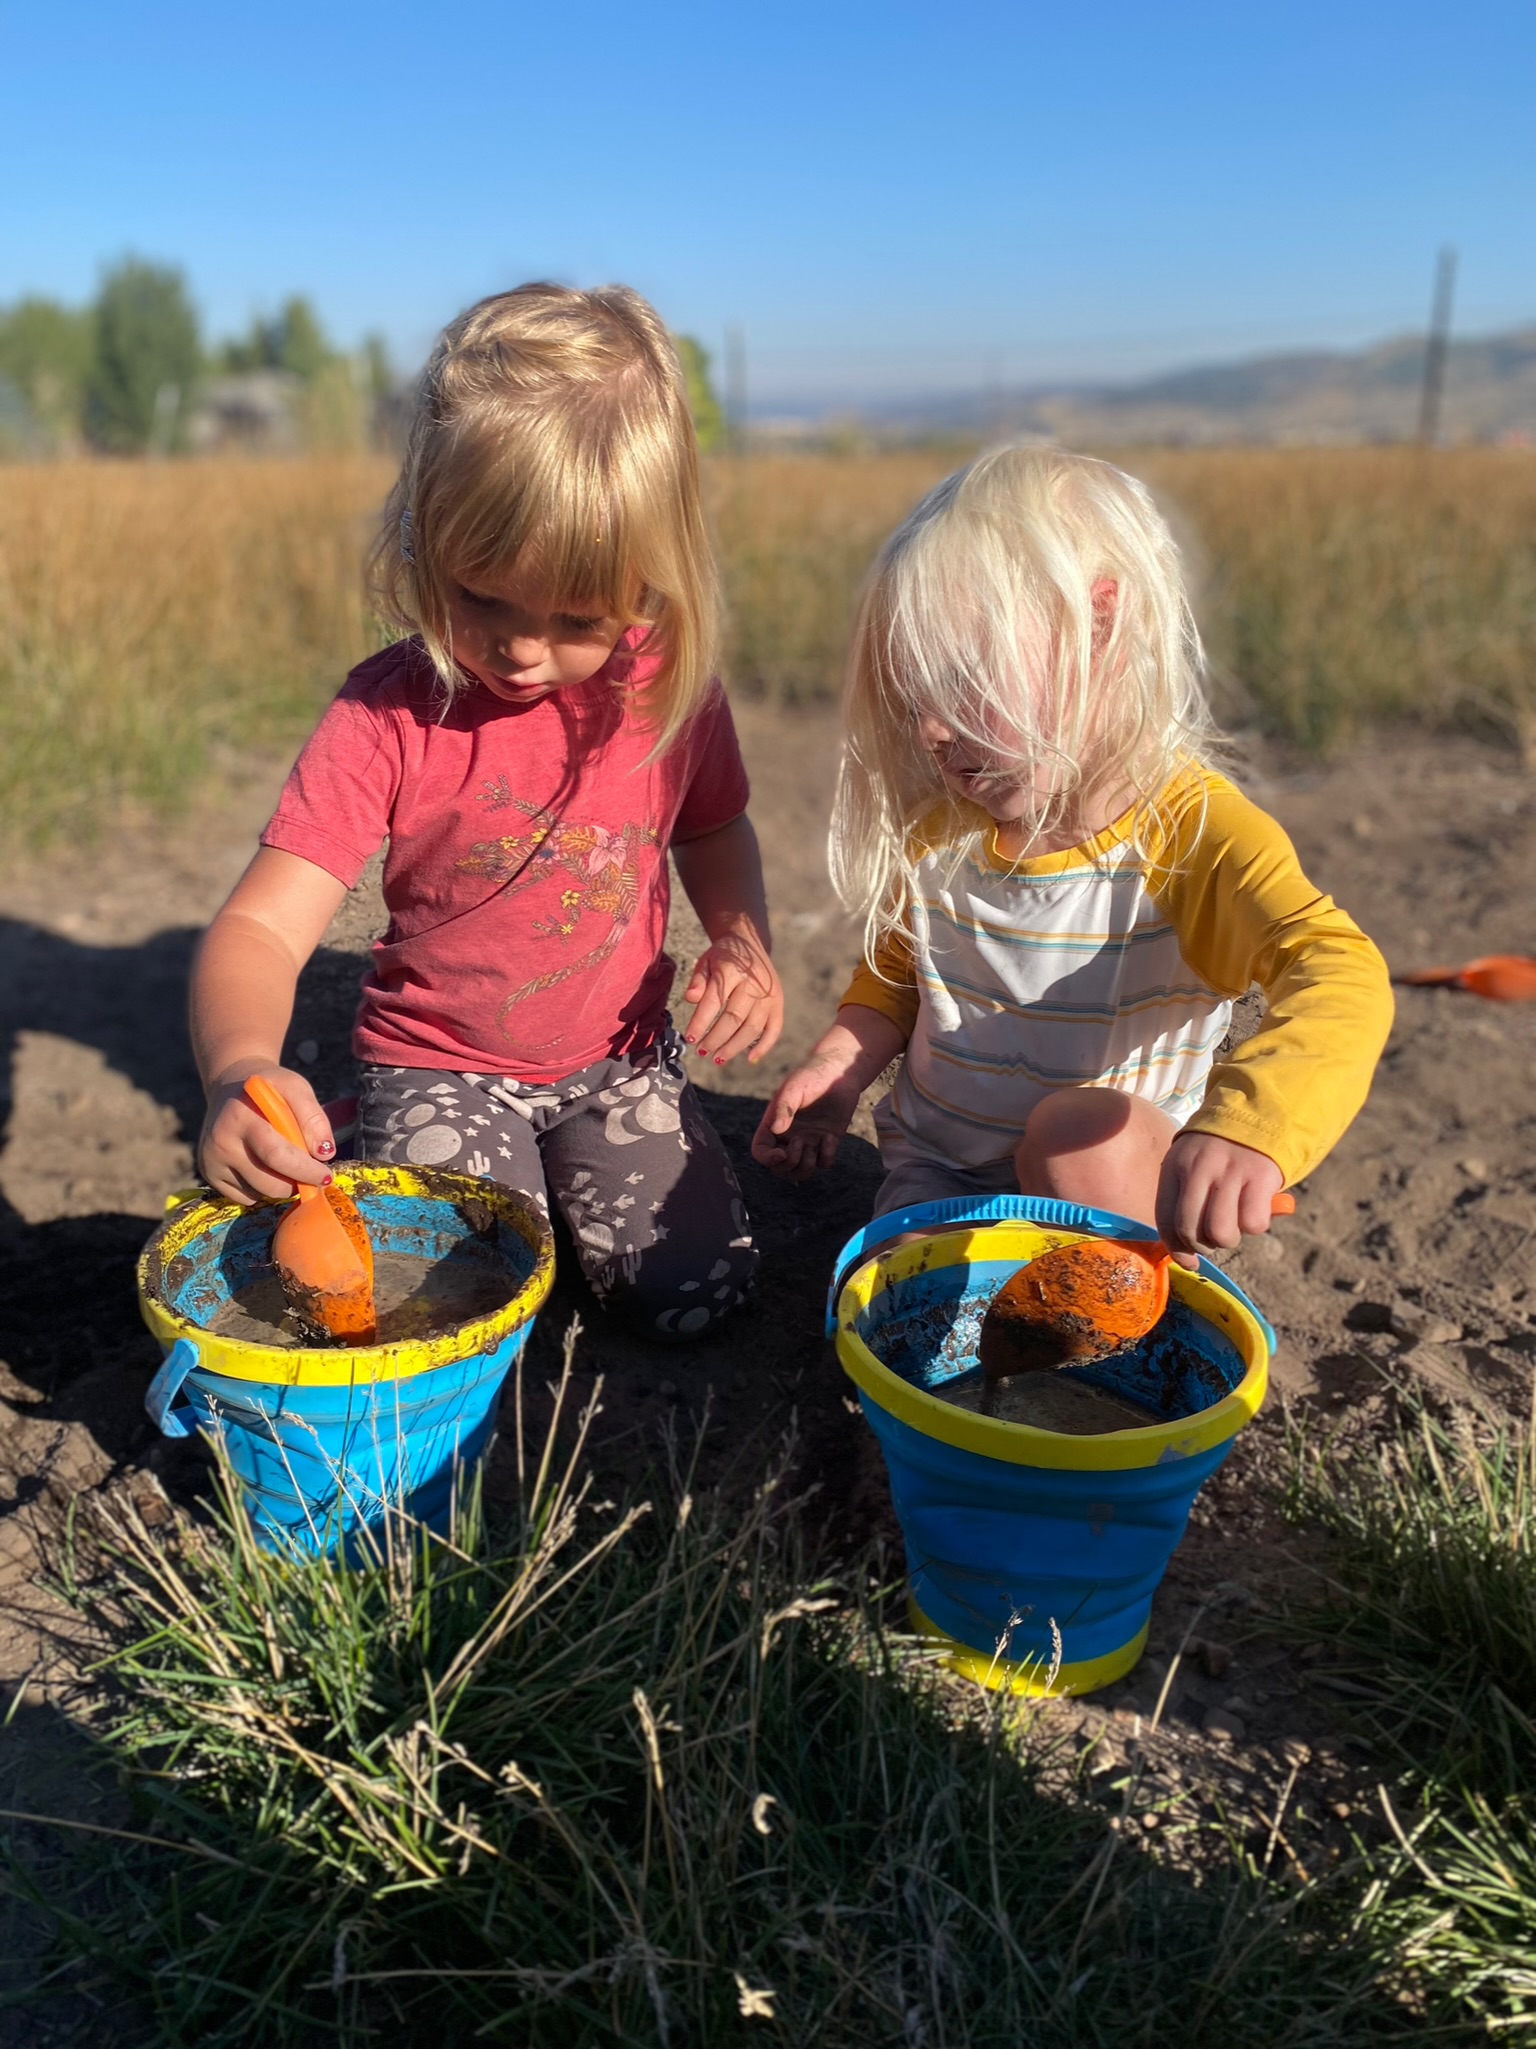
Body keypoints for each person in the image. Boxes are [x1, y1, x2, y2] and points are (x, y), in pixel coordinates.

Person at [193, 282, 779, 1338]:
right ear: (426, 540)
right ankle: (449, 1178)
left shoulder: (669, 689)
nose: (517, 647)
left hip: (617, 1057)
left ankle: (565, 1194)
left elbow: (714, 829)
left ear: (651, 581)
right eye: (481, 597)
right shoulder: (388, 712)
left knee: (696, 1293)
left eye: (575, 618)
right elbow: (259, 926)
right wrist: (238, 1068)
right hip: (441, 1064)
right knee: (461, 1294)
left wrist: (741, 938)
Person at [752, 447, 1391, 1265]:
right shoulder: (943, 828)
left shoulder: (1192, 838)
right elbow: (902, 976)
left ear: (1099, 626)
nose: (931, 731)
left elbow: (1340, 970)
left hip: (1112, 1197)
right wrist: (839, 1069)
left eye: (961, 678)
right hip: (944, 1172)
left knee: (1077, 1134)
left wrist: (1251, 1130)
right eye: (914, 697)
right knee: (902, 1302)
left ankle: (1135, 1305)